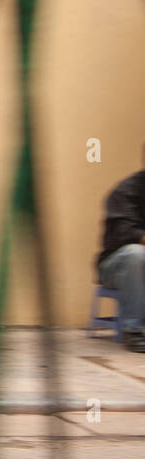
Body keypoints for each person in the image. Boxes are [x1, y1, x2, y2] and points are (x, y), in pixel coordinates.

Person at [97, 143, 145, 353]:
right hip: (114, 265)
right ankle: (133, 330)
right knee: (136, 253)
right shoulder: (125, 191)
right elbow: (127, 233)